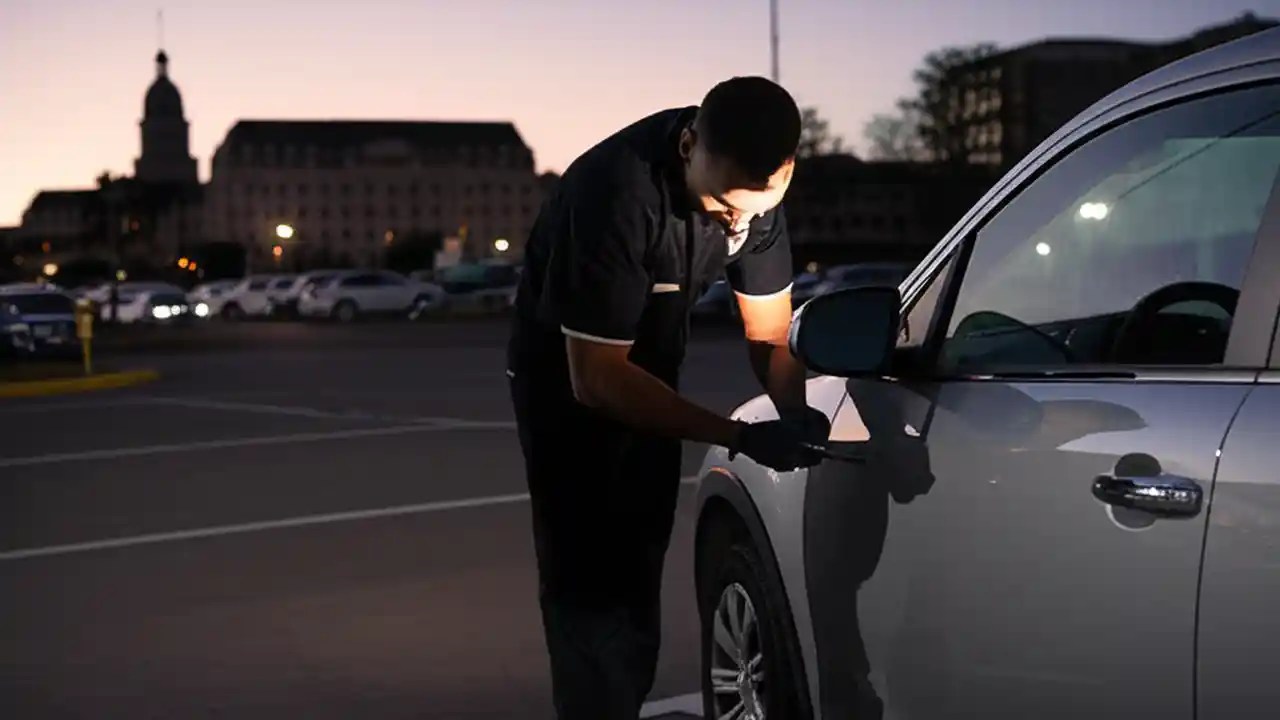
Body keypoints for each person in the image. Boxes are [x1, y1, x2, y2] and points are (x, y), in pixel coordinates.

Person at [507, 76, 829, 719]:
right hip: (570, 394)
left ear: (786, 169)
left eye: (753, 207)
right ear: (688, 147)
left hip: (651, 367)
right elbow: (596, 378)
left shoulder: (759, 196)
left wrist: (798, 418)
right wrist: (738, 435)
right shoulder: (614, 194)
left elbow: (768, 337)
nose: (736, 223)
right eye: (720, 206)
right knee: (591, 586)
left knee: (639, 565)